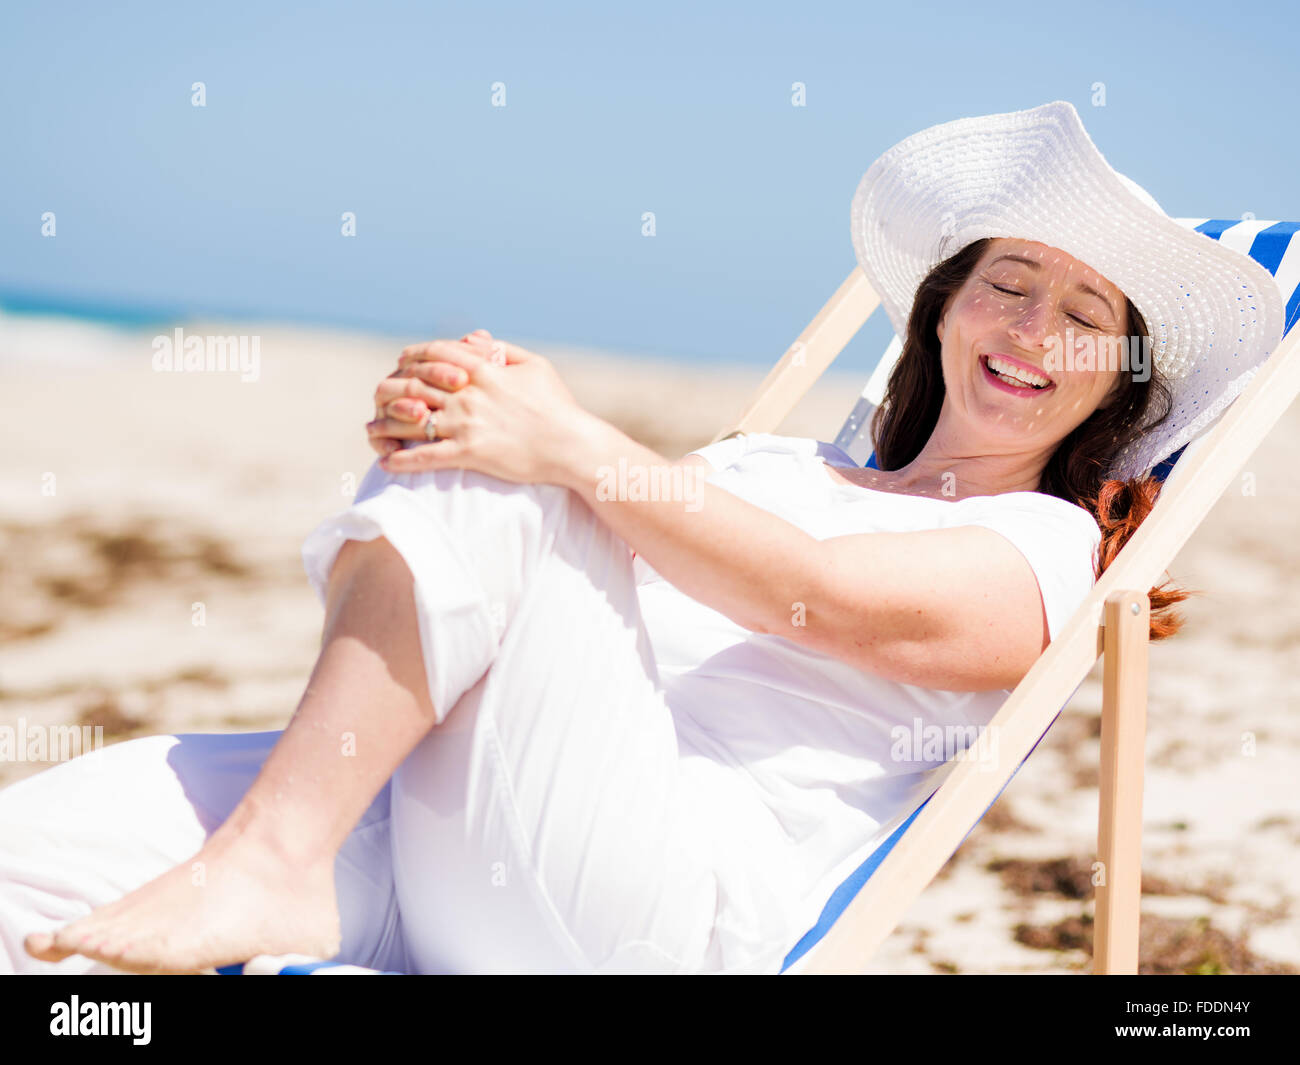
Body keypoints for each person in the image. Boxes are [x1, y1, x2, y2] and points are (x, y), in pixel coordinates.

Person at [0, 101, 1284, 975]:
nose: (1029, 328)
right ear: (943, 310)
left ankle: (267, 865)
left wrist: (550, 443)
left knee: (511, 474)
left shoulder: (1045, 548)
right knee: (29, 870)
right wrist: (448, 418)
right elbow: (542, 571)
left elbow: (820, 599)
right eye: (1006, 281)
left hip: (644, 904)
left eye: (1082, 313)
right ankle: (266, 859)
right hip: (448, 819)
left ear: (1114, 383)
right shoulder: (772, 465)